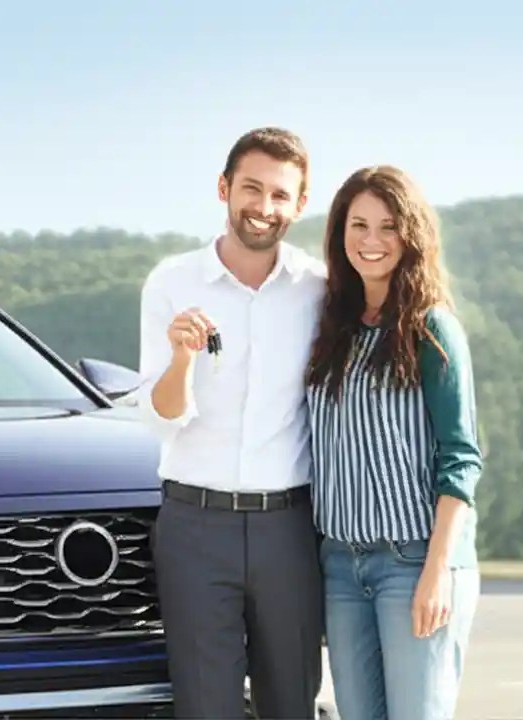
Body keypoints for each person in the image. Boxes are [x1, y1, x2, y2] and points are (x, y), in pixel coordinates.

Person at [121, 127, 327, 718]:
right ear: (224, 188)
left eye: (280, 195)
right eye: (252, 189)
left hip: (288, 529)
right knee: (206, 707)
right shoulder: (172, 282)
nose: (264, 208)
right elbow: (161, 417)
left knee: (291, 703)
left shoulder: (317, 289)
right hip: (195, 527)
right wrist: (182, 357)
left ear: (299, 205)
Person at [305, 165, 481, 720]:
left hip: (414, 562)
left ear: (412, 234)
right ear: (340, 233)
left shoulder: (431, 328)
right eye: (359, 224)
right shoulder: (331, 328)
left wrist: (437, 572)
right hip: (340, 567)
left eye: (388, 226)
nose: (372, 241)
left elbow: (461, 459)